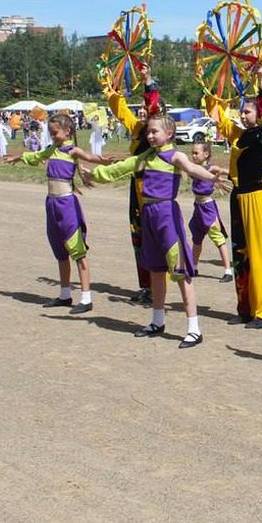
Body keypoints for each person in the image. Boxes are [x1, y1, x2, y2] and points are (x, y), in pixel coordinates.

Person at [90, 114, 229, 348]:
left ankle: (194, 328)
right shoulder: (146, 156)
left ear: (169, 134)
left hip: (167, 215)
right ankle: (157, 320)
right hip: (149, 216)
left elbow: (193, 168)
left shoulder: (175, 155)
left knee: (180, 271)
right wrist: (94, 174)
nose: (150, 135)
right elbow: (122, 168)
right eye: (149, 132)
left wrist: (212, 179)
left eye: (155, 131)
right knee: (155, 269)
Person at [5, 113, 113, 314]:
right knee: (59, 250)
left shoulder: (72, 150)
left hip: (67, 204)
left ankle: (86, 298)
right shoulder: (51, 150)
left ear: (67, 131)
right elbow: (35, 156)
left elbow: (90, 157)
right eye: (51, 133)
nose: (52, 136)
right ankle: (65, 295)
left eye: (55, 133)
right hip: (51, 204)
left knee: (77, 250)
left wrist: (105, 162)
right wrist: (18, 157)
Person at [205, 88, 262, 329]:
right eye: (242, 112)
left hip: (257, 197)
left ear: (259, 113)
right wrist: (212, 90)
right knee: (241, 256)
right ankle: (245, 308)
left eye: (248, 112)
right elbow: (219, 117)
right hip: (238, 196)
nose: (243, 115)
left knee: (260, 257)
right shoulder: (239, 134)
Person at [102, 64, 161, 304]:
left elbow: (153, 107)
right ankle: (146, 286)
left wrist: (148, 81)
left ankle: (159, 285)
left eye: (146, 112)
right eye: (142, 112)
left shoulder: (155, 130)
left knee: (154, 237)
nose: (142, 114)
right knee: (138, 237)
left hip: (153, 188)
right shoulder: (137, 128)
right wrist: (110, 87)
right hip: (135, 189)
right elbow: (120, 109)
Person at [188, 141, 234, 283]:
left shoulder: (210, 168)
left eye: (196, 153)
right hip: (198, 208)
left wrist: (237, 175)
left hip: (208, 207)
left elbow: (224, 171)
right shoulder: (193, 169)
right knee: (196, 239)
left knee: (218, 238)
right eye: (192, 153)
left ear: (206, 154)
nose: (193, 156)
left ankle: (228, 271)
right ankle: (193, 267)